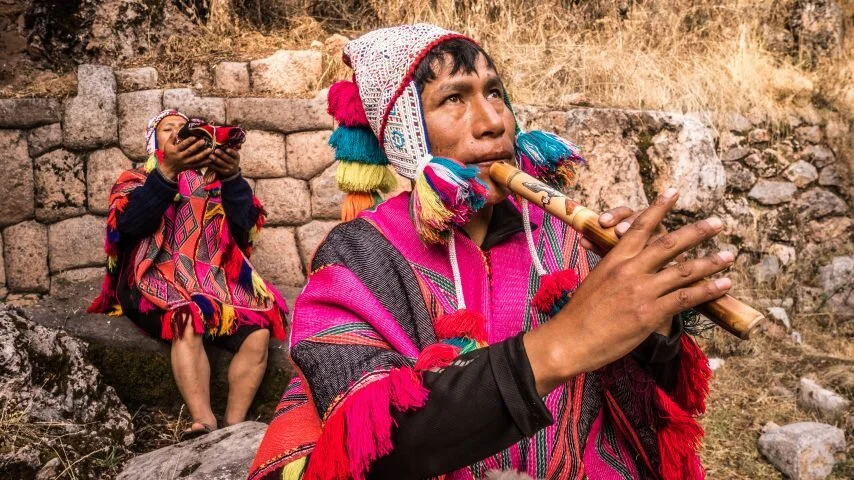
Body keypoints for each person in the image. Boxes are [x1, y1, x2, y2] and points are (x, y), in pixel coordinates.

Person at [250, 24, 729, 480]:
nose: (494, 123)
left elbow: (649, 392)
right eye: (454, 98)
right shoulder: (357, 254)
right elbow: (373, 443)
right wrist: (564, 343)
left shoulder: (566, 239)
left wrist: (656, 316)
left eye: (494, 93)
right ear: (407, 134)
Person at [88, 109, 288, 440]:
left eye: (185, 129)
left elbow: (243, 229)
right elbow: (129, 226)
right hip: (153, 278)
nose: (178, 133)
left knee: (259, 332)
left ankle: (235, 427)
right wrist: (166, 173)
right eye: (168, 130)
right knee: (186, 317)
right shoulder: (135, 180)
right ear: (155, 145)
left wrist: (233, 178)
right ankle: (203, 421)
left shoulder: (215, 185)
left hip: (211, 281)